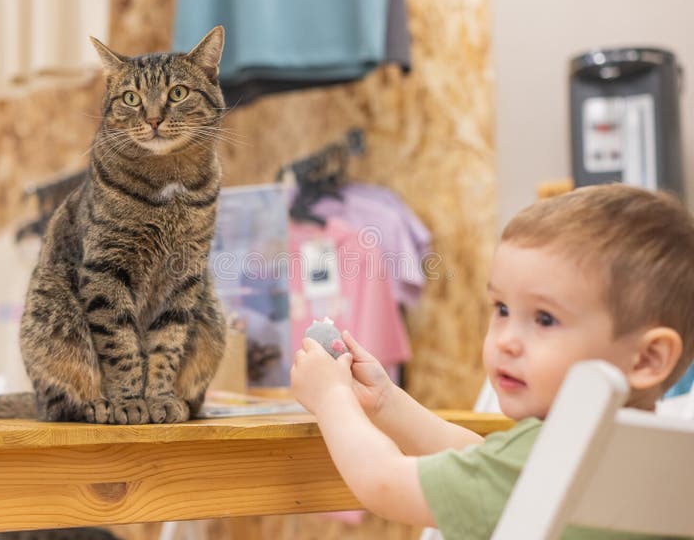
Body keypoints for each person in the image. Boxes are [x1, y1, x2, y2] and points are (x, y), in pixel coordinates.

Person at [291, 183, 694, 539]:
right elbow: (481, 459)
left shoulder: (540, 460)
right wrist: (385, 402)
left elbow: (382, 482)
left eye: (545, 319)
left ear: (647, 358)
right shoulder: (656, 460)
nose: (506, 341)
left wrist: (332, 399)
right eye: (501, 309)